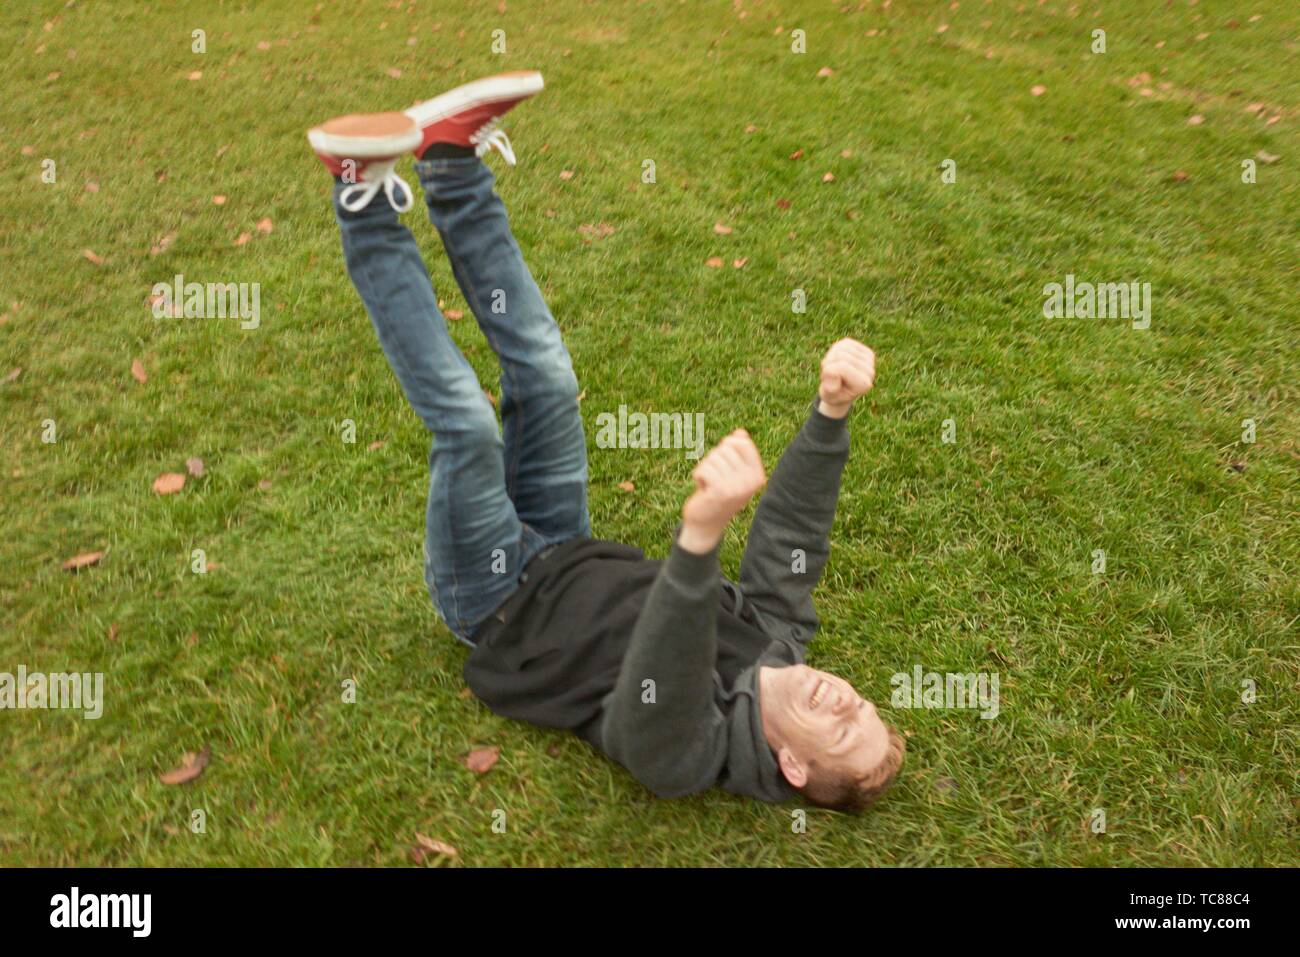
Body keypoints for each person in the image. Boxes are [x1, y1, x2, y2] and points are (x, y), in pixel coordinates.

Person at [308, 72, 905, 811]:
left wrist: (699, 537)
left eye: (843, 733)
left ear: (791, 765)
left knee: (467, 425)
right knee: (550, 376)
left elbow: (666, 665)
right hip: (567, 543)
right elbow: (794, 537)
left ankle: (359, 197)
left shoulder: (687, 754)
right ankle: (451, 162)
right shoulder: (779, 640)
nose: (848, 701)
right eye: (866, 708)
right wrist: (829, 415)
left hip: (496, 597)